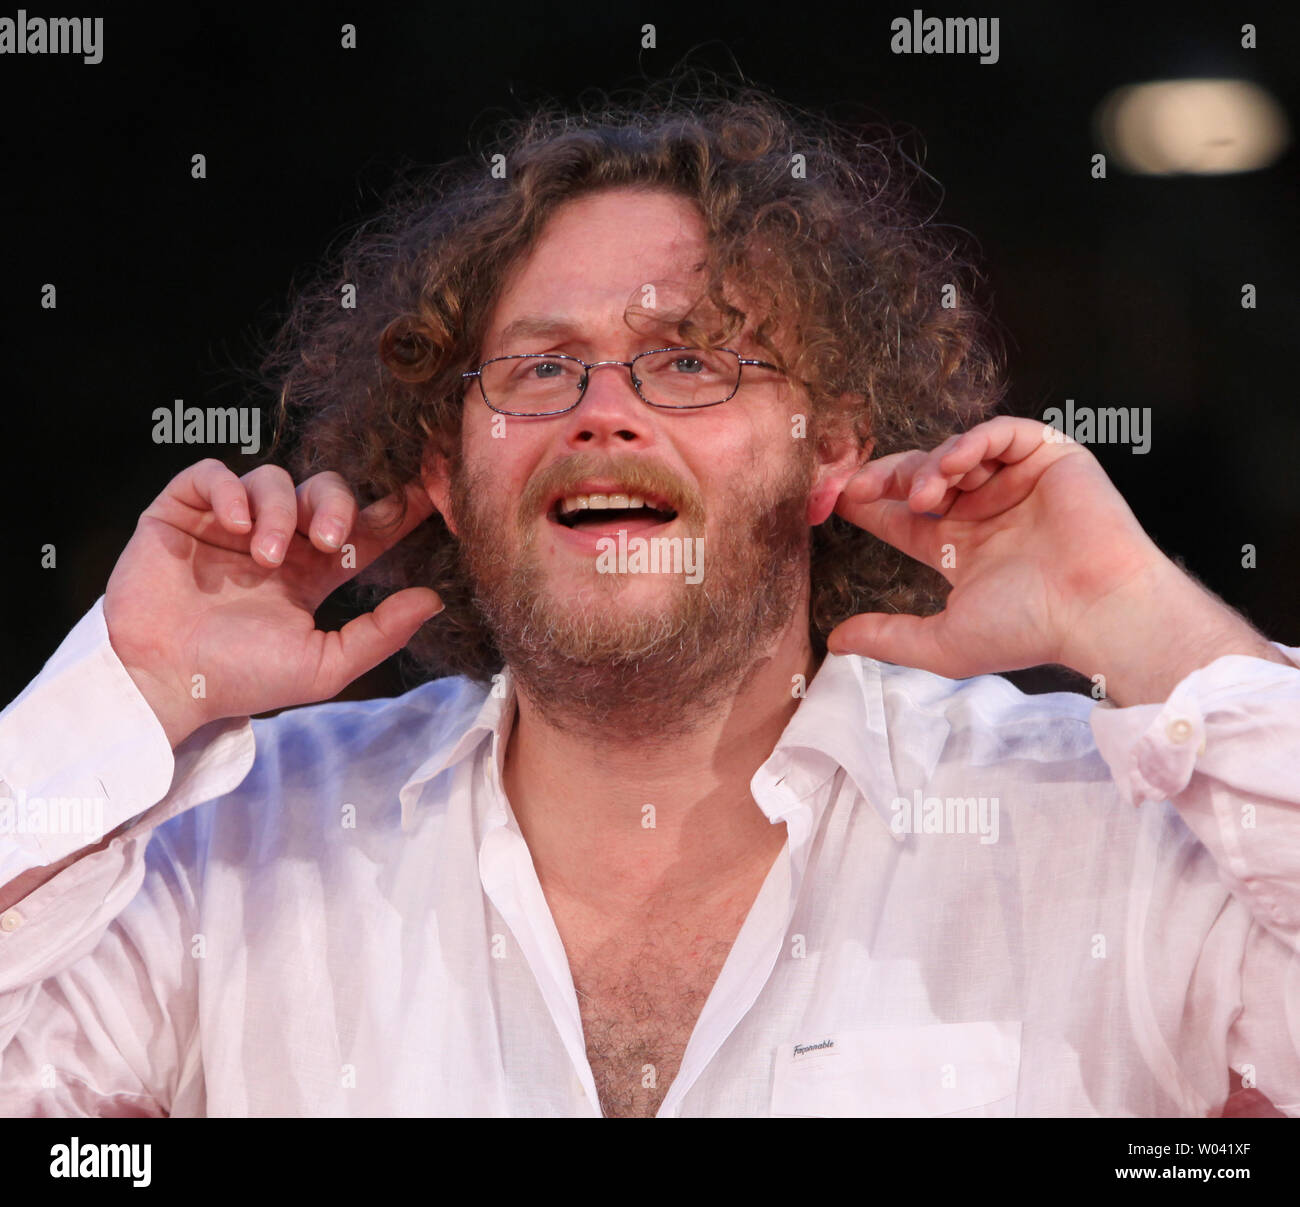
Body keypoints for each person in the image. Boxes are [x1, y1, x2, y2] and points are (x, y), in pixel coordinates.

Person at [1, 80, 1296, 1119]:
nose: (601, 413)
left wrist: (1143, 621)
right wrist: (132, 689)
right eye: (539, 366)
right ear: (444, 472)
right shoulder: (232, 850)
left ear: (828, 448)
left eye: (688, 358)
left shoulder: (1095, 826)